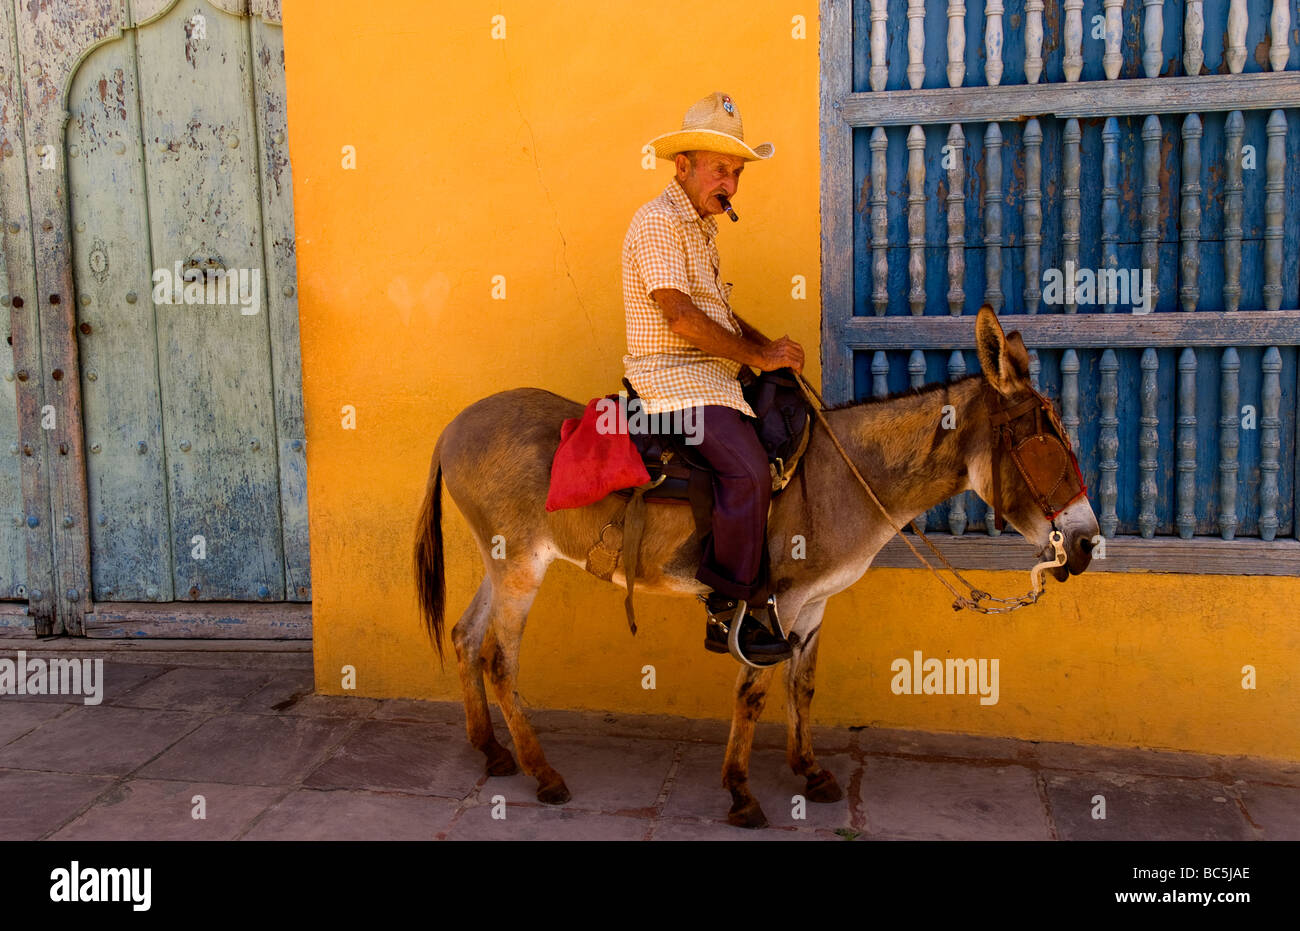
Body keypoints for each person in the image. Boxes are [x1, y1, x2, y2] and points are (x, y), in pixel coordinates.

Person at [621, 91, 805, 665]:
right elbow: (681, 318)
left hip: (710, 375)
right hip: (672, 380)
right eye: (720, 168)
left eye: (737, 171)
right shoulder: (657, 223)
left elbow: (715, 314)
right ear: (683, 166)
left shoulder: (699, 228)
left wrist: (766, 348)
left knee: (792, 416)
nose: (729, 181)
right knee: (748, 469)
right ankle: (727, 609)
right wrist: (759, 356)